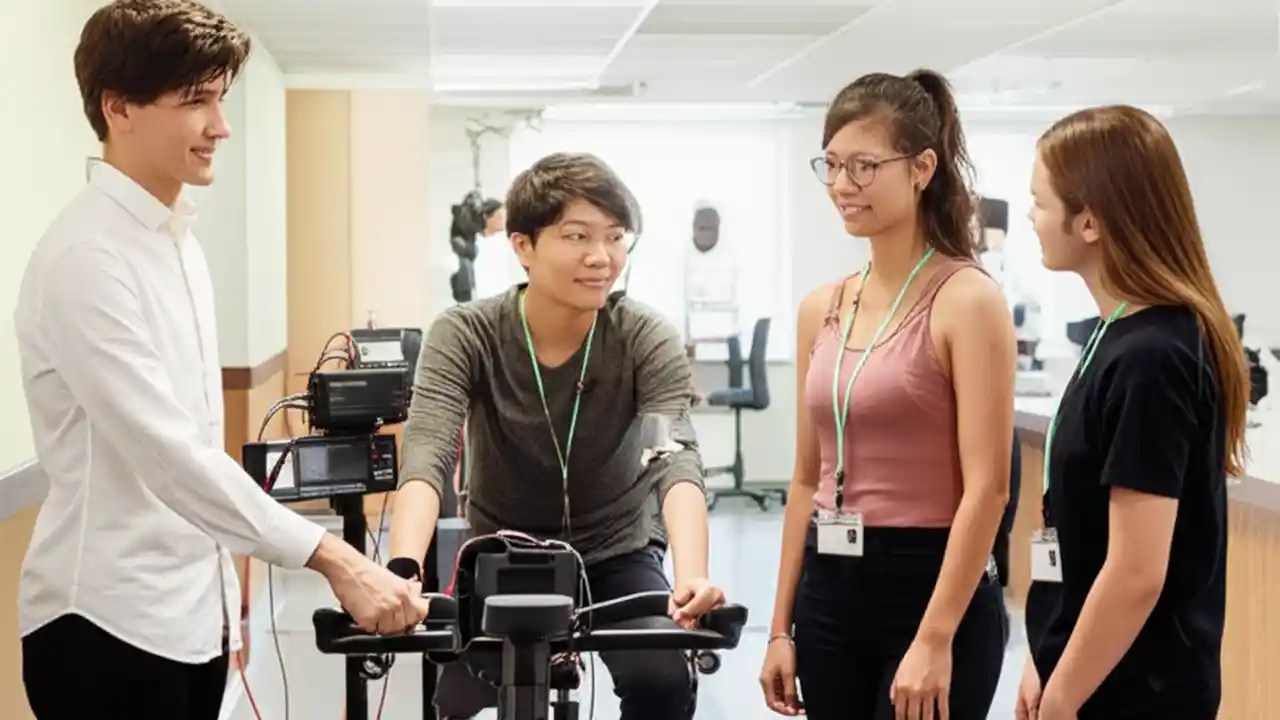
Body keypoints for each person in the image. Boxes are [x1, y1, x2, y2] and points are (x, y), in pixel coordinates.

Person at [13, 2, 429, 717]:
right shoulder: (87, 258)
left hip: (190, 616)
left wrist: (224, 594)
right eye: (195, 101)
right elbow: (170, 455)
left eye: (221, 99)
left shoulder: (175, 242)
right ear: (119, 108)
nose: (220, 126)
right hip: (106, 625)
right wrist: (336, 559)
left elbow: (196, 448)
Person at [386, 151, 725, 720]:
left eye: (614, 237)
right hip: (505, 552)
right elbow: (428, 453)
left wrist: (692, 577)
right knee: (457, 698)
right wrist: (402, 570)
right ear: (523, 246)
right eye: (577, 236)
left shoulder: (642, 337)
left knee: (662, 679)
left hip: (616, 551)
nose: (601, 257)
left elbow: (672, 458)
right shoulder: (467, 332)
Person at [759, 69, 1015, 720]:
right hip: (830, 587)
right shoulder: (822, 307)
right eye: (832, 164)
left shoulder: (967, 300)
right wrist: (780, 628)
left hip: (930, 586)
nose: (842, 185)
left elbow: (988, 489)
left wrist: (934, 638)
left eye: (865, 166)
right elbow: (805, 479)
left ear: (922, 168)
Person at [1017, 105, 1247, 720]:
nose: (1032, 219)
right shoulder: (1115, 333)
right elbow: (1086, 541)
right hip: (1094, 670)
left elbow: (1136, 571)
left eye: (1039, 203)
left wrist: (1063, 696)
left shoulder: (1153, 355)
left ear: (1089, 220)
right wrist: (1047, 655)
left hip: (1137, 691)